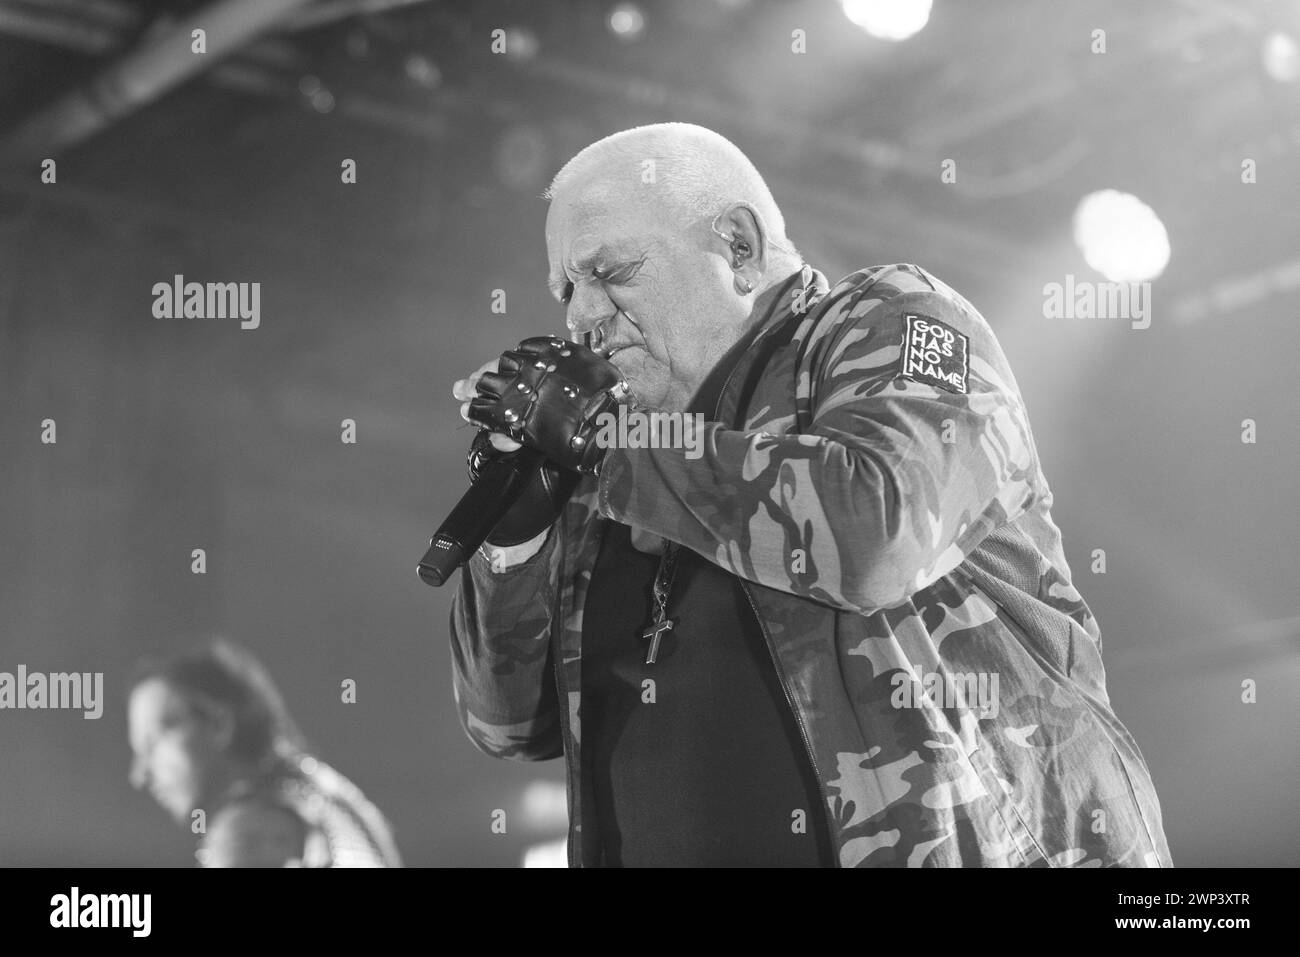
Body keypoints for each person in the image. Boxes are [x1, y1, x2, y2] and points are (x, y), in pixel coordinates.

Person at [448, 122, 1172, 868]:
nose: (581, 316)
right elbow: (508, 724)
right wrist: (516, 540)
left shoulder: (889, 318)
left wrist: (603, 447)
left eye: (614, 271)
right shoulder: (623, 451)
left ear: (739, 245)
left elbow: (876, 533)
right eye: (567, 287)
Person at [127, 639, 402, 867]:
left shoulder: (247, 831)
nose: (141, 775)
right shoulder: (335, 799)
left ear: (218, 725)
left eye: (153, 743)